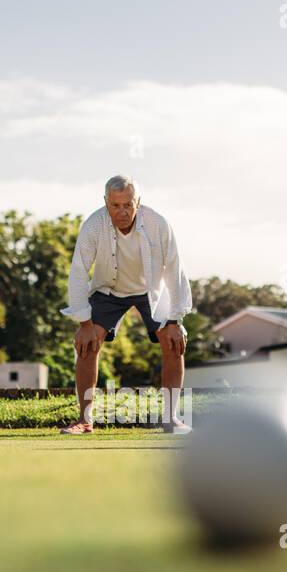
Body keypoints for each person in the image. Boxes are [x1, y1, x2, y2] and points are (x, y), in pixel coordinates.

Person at [60, 176, 193, 434]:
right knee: (87, 343)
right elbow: (78, 271)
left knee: (173, 342)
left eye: (128, 205)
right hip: (108, 290)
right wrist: (84, 323)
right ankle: (85, 420)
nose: (122, 212)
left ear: (138, 202)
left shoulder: (158, 224)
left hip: (150, 291)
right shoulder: (93, 225)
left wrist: (176, 320)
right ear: (105, 202)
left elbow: (175, 269)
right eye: (115, 205)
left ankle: (170, 419)